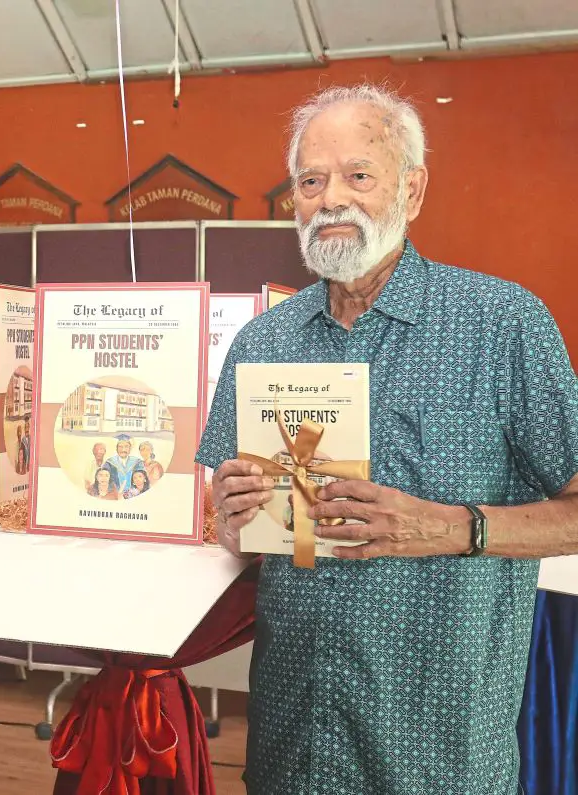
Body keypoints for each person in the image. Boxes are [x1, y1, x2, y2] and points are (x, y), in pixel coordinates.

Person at [199, 83, 578, 794]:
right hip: (293, 743)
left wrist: (448, 527)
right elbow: (231, 528)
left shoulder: (503, 325)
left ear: (413, 190)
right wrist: (232, 514)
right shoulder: (264, 341)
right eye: (310, 181)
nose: (331, 200)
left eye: (358, 175)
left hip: (439, 753)